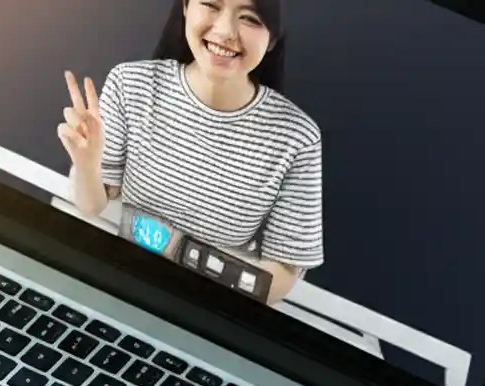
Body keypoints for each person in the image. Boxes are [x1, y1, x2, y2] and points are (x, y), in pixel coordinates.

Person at [58, 0, 323, 306]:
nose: (225, 31)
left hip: (213, 308)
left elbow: (283, 270)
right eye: (211, 4)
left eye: (250, 18)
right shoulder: (130, 85)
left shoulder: (297, 139)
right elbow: (91, 205)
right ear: (185, 6)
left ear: (273, 37)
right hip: (122, 286)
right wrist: (87, 165)